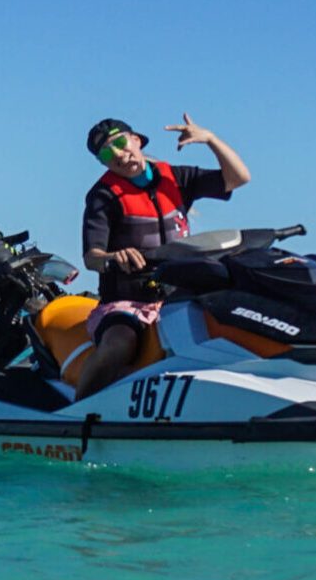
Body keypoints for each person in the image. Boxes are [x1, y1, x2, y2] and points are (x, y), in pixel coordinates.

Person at [76, 113, 250, 400]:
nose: (119, 153)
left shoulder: (178, 179)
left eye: (121, 142)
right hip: (127, 302)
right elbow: (91, 257)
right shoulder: (102, 197)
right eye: (107, 152)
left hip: (179, 296)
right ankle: (75, 413)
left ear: (136, 140)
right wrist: (112, 256)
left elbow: (238, 178)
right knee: (120, 343)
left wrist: (210, 139)